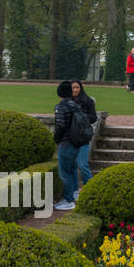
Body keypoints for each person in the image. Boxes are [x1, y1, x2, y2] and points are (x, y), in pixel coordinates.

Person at [52, 81, 93, 210]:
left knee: (65, 173)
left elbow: (60, 126)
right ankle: (73, 195)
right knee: (71, 170)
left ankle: (68, 200)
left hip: (66, 142)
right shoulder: (75, 105)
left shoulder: (61, 106)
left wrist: (56, 139)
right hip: (76, 142)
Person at [70, 80, 98, 191]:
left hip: (83, 137)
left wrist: (81, 116)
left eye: (77, 87)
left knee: (82, 165)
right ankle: (74, 191)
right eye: (73, 88)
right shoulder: (67, 101)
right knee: (71, 166)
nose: (75, 90)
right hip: (70, 138)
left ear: (80, 88)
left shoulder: (87, 101)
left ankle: (91, 189)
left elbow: (94, 117)